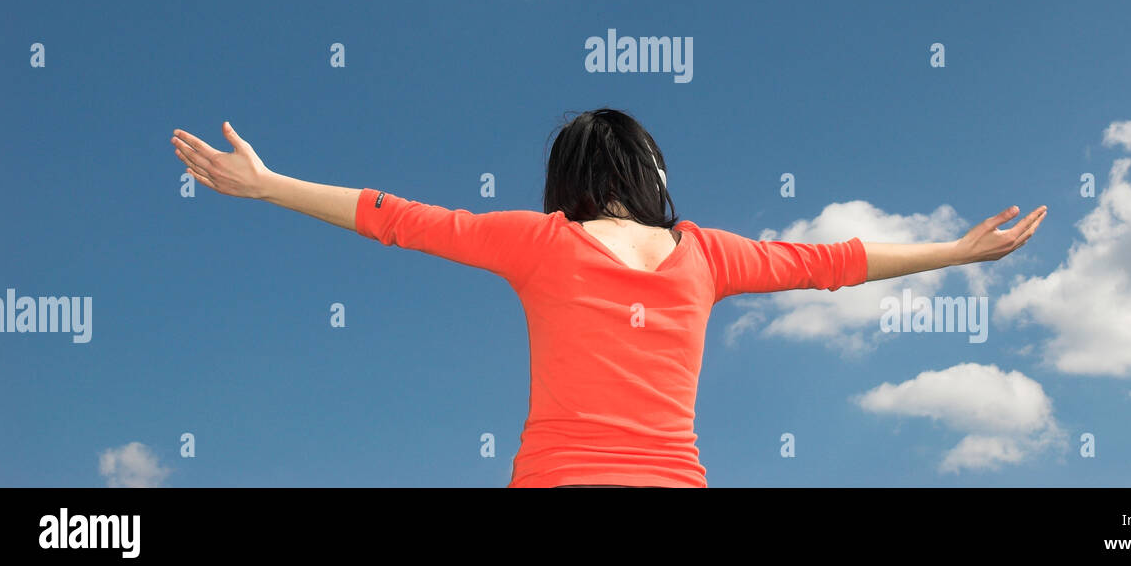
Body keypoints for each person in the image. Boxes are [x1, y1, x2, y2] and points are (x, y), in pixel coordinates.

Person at [171, 108, 1046, 487]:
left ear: (569, 179)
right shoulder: (708, 256)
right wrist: (956, 255)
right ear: (649, 173)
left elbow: (396, 217)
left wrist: (271, 184)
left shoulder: (537, 240)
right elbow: (831, 261)